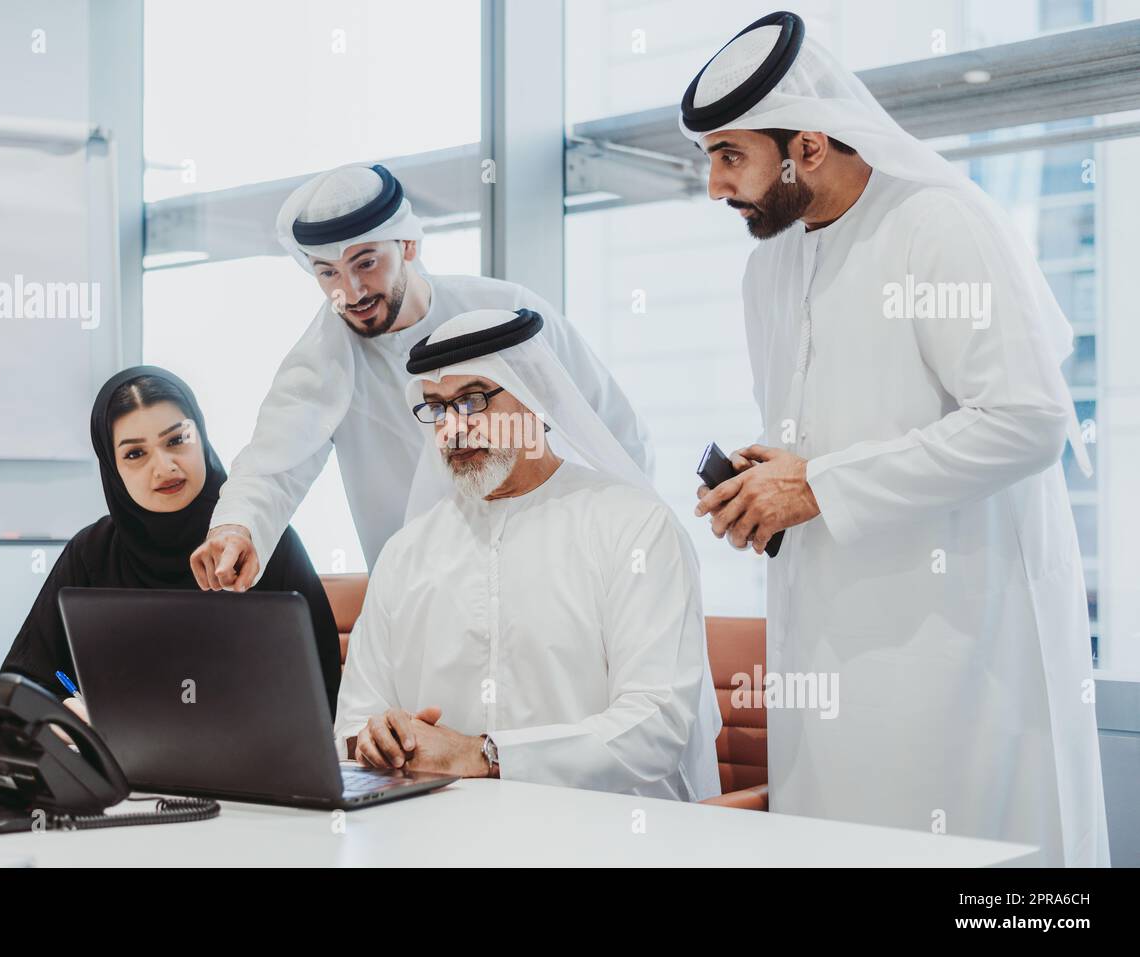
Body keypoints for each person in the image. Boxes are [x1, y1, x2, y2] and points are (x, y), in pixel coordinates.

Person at [679, 11, 1107, 864]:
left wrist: (820, 484)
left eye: (732, 157)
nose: (717, 186)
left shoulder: (938, 225)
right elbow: (826, 435)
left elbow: (1027, 419)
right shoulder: (770, 266)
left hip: (954, 642)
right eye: (711, 161)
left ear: (806, 144)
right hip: (825, 634)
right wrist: (769, 480)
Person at [190, 162, 652, 591]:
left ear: (407, 245)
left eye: (365, 263)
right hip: (424, 596)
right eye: (328, 272)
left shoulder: (505, 308)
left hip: (552, 575)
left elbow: (609, 427)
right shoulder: (323, 355)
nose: (349, 292)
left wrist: (627, 545)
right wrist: (236, 526)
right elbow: (272, 465)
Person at [333, 308, 721, 801]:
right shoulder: (406, 552)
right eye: (436, 408)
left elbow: (657, 724)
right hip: (437, 837)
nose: (452, 428)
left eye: (472, 400)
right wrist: (377, 741)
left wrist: (483, 756)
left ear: (535, 397)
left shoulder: (632, 526)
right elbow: (353, 723)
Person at [0, 366, 342, 719]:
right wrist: (63, 706)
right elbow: (25, 682)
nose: (164, 468)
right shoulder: (92, 553)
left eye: (177, 440)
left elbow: (326, 691)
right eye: (135, 454)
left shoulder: (258, 540)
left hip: (256, 769)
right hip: (120, 771)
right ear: (112, 469)